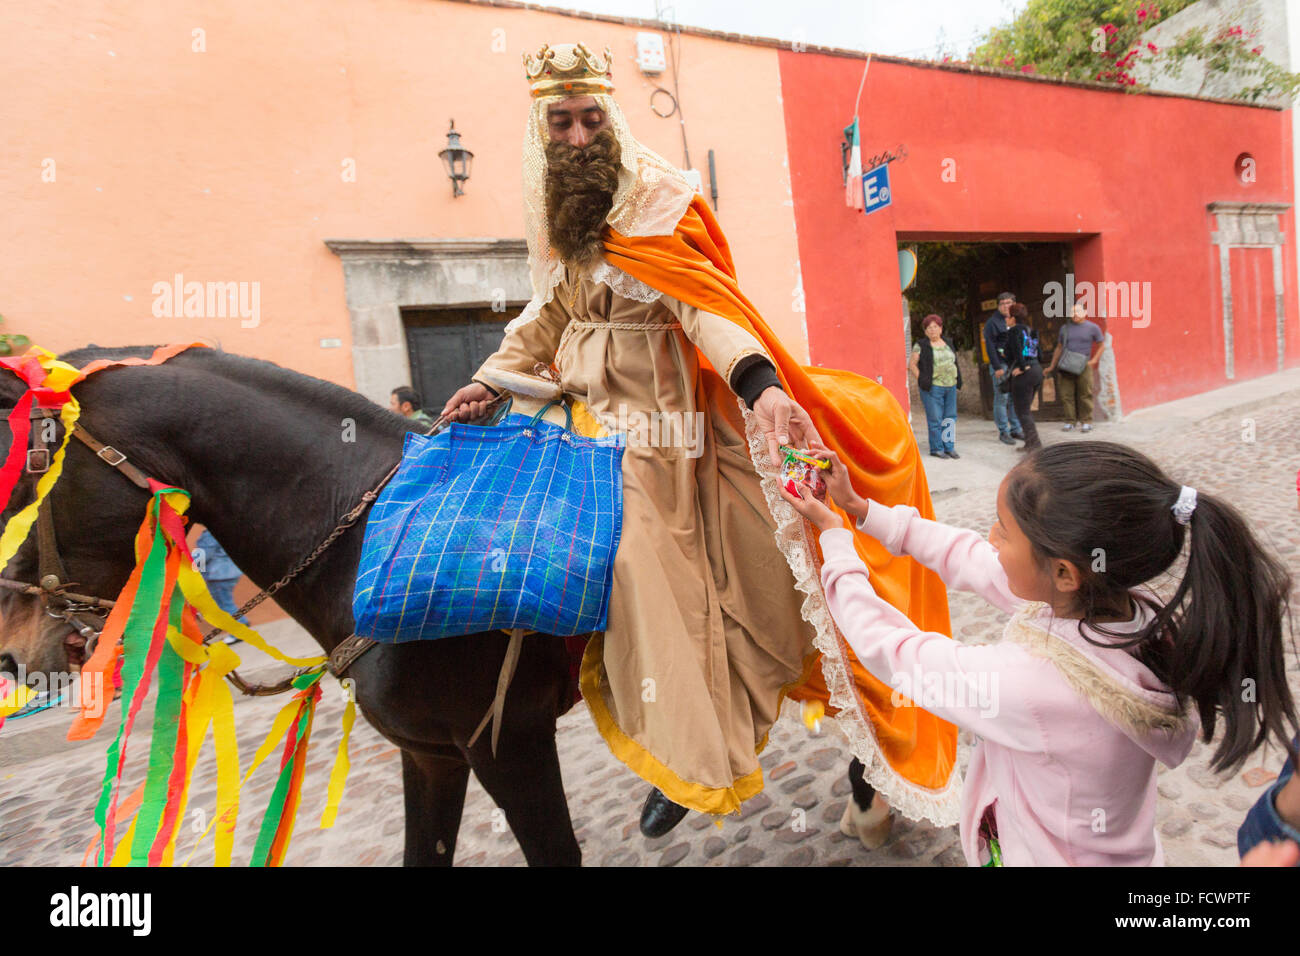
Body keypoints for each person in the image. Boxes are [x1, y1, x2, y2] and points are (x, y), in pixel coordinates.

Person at [439, 42, 960, 841]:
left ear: (610, 119)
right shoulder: (559, 212)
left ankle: (694, 754)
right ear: (542, 129)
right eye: (561, 122)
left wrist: (762, 385)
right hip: (577, 404)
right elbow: (548, 316)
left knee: (635, 559)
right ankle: (657, 735)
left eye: (589, 119)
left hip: (661, 424)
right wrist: (491, 381)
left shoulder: (661, 200)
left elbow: (705, 309)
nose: (577, 138)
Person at [779, 439, 1299, 866]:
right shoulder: (1126, 611)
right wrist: (863, 511)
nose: (990, 538)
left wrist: (836, 544)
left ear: (1065, 573)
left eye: (1004, 532)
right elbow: (973, 559)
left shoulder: (1034, 686)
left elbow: (896, 652)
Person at [1045, 299, 1105, 432]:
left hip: (1084, 365)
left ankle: (1087, 421)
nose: (1075, 314)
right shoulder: (1064, 328)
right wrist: (1052, 365)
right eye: (1072, 312)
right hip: (1066, 365)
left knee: (1085, 393)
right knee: (1066, 394)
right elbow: (1059, 348)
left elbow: (1102, 345)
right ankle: (1070, 421)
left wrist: (1094, 360)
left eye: (1077, 311)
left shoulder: (1093, 327)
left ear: (1085, 312)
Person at [909, 314, 962, 459]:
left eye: (935, 327)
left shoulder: (948, 342)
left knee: (950, 417)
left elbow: (954, 361)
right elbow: (912, 364)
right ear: (925, 331)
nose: (932, 330)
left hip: (950, 385)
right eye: (929, 328)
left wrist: (958, 379)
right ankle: (937, 448)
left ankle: (949, 447)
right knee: (935, 419)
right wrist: (923, 379)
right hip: (933, 387)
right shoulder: (921, 345)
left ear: (941, 328)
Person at [194, 528, 248, 646]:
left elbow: (203, 555)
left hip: (218, 575)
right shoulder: (225, 530)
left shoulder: (209, 535)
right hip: (231, 571)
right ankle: (242, 623)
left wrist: (192, 568)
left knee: (224, 605)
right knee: (226, 603)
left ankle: (239, 631)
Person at [983, 292, 1023, 446]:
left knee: (1014, 397)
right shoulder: (992, 323)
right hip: (1001, 365)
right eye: (1003, 303)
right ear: (998, 306)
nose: (1006, 306)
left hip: (1014, 365)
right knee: (1002, 398)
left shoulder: (1015, 320)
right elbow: (990, 346)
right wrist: (997, 366)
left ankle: (1016, 429)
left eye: (1009, 303)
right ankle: (1003, 432)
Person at [1002, 303, 1043, 452]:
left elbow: (1017, 350)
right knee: (1025, 410)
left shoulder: (1014, 331)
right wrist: (1029, 364)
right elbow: (1040, 354)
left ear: (1013, 318)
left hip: (1024, 374)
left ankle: (1034, 444)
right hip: (1037, 370)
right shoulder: (1031, 331)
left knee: (1023, 411)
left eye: (1007, 316)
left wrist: (1022, 366)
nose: (1006, 319)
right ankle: (1031, 442)